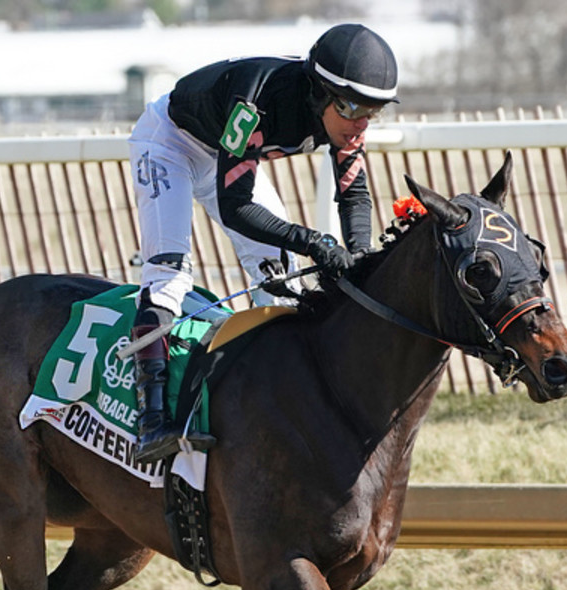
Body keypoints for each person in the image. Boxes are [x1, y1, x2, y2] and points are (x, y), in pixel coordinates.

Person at [127, 23, 400, 463]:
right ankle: (152, 421)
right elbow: (236, 207)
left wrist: (361, 256)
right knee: (169, 274)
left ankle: (276, 399)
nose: (360, 123)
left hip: (227, 153)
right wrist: (315, 241)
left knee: (281, 276)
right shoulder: (254, 105)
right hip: (171, 145)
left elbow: (354, 193)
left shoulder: (347, 118)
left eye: (373, 111)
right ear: (320, 92)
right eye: (351, 108)